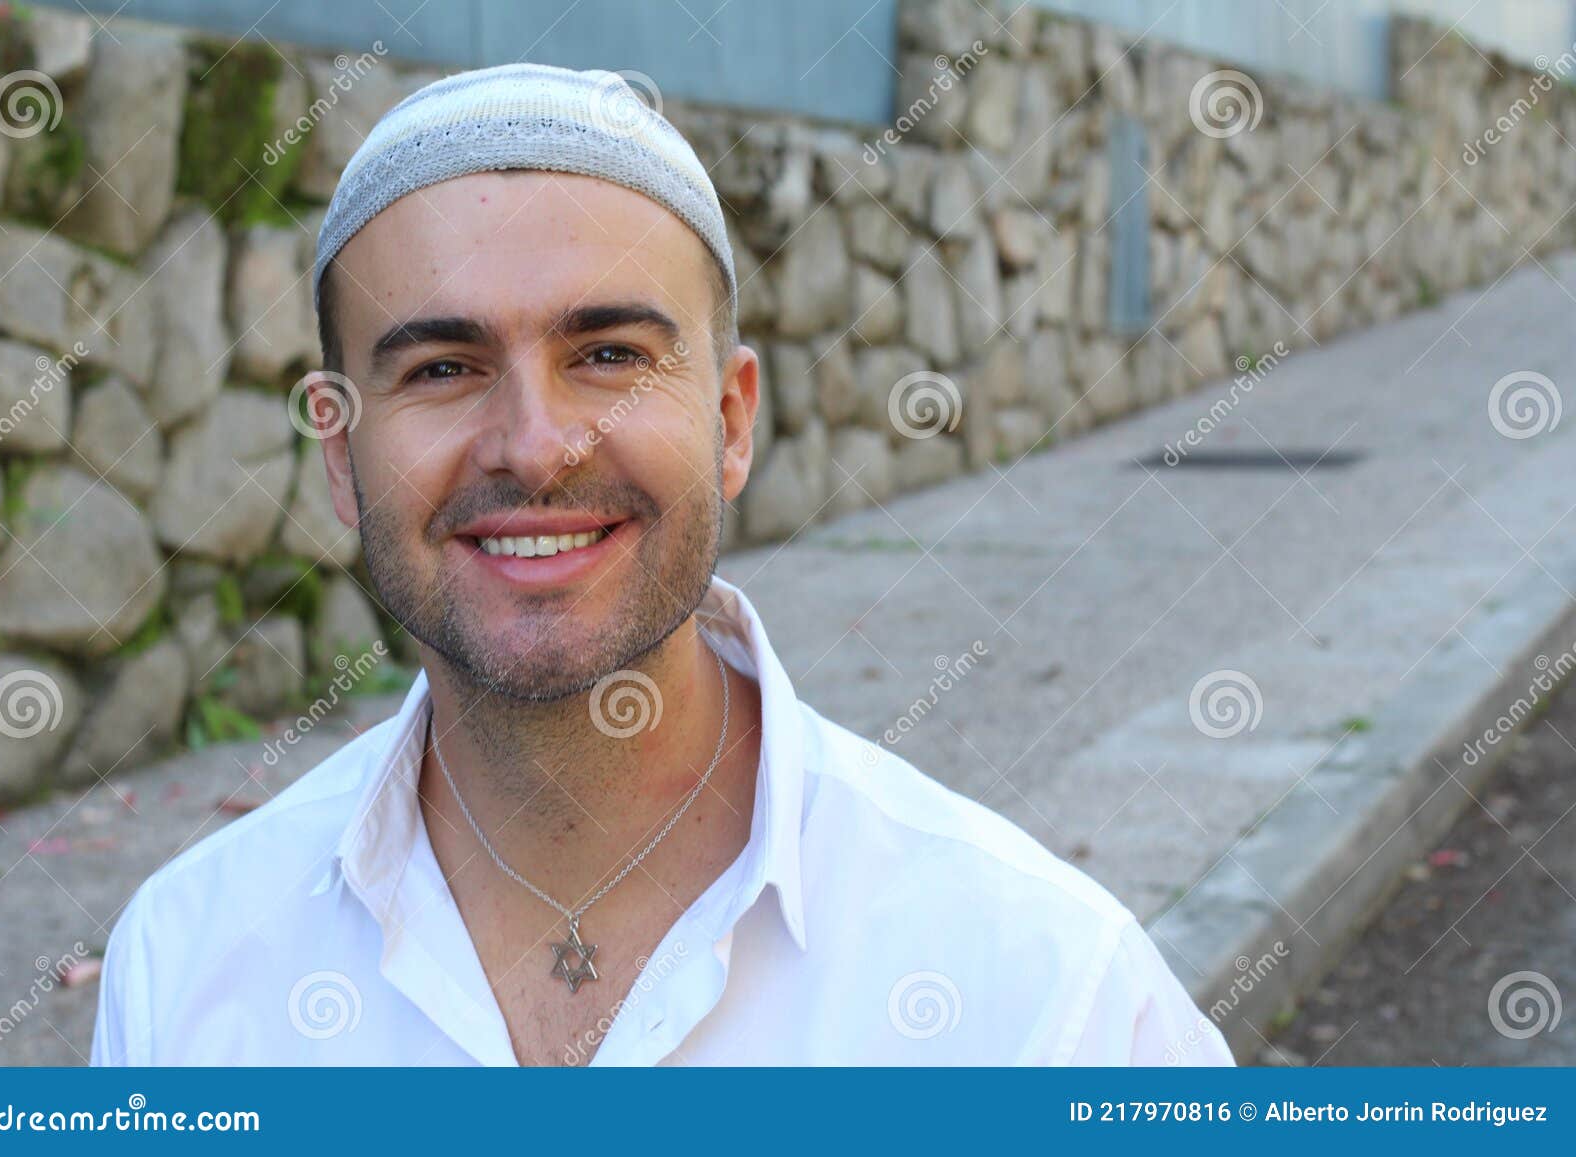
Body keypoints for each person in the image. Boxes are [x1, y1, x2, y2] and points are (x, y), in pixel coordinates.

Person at [91, 63, 1233, 1067]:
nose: (535, 444)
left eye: (607, 355)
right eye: (441, 368)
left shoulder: (1043, 991)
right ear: (340, 452)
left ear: (732, 420)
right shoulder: (188, 967)